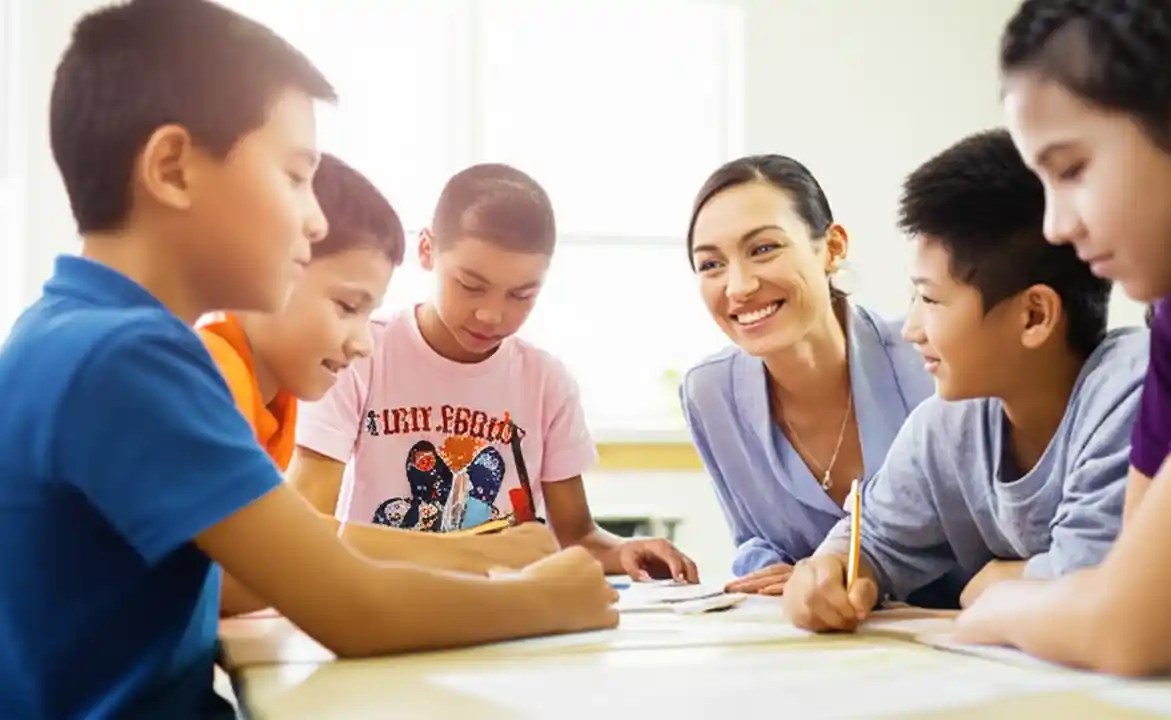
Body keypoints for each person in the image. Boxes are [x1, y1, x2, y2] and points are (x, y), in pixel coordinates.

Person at [0, 3, 615, 717]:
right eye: (296, 176)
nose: (316, 218)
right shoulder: (129, 357)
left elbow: (242, 578)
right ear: (172, 168)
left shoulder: (68, 330)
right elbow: (355, 611)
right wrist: (547, 599)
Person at [955, 0, 1171, 675]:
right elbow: (1145, 589)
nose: (1055, 226)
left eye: (1072, 170)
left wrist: (1006, 605)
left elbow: (1128, 625)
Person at [782, 129, 1147, 631]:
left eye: (931, 300)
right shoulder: (948, 423)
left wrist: (992, 584)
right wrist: (827, 573)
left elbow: (1094, 585)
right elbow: (873, 542)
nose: (911, 329)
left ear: (1034, 316)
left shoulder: (1132, 389)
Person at [290, 163, 699, 582]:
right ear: (427, 250)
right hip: (386, 595)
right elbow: (304, 526)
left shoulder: (546, 382)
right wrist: (480, 552)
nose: (492, 314)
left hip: (503, 604)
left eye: (522, 295)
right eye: (470, 286)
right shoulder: (358, 354)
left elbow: (575, 538)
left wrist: (626, 551)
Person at [202, 154, 559, 618]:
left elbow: (275, 555)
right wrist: (481, 557)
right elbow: (266, 567)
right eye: (348, 306)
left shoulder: (272, 401)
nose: (363, 343)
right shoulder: (210, 379)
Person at [682, 154, 933, 596]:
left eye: (764, 249)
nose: (738, 287)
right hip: (810, 630)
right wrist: (791, 575)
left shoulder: (927, 358)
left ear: (832, 248)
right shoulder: (710, 393)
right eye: (711, 264)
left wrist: (838, 570)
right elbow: (753, 542)